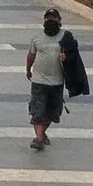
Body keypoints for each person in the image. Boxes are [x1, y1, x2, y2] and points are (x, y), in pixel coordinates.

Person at [24, 9, 71, 149]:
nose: (50, 21)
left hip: (57, 82)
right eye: (47, 18)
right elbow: (31, 55)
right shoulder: (37, 38)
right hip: (39, 81)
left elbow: (75, 56)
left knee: (52, 111)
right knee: (38, 110)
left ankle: (41, 134)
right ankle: (38, 138)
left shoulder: (66, 37)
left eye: (53, 18)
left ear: (59, 21)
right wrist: (28, 69)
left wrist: (66, 58)